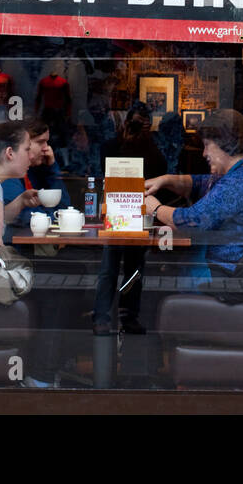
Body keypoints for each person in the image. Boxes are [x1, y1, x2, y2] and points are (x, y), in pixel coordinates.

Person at [144, 109, 243, 292]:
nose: (204, 153)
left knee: (157, 275)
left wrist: (155, 208)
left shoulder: (239, 183)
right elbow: (199, 183)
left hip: (228, 279)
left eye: (207, 145)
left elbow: (192, 221)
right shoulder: (241, 173)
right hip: (227, 271)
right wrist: (166, 179)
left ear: (225, 143)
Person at [92, 101, 167, 335]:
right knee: (109, 268)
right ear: (126, 122)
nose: (138, 128)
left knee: (134, 269)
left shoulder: (152, 149)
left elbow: (159, 171)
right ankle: (102, 316)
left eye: (143, 124)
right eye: (135, 123)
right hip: (116, 210)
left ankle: (128, 315)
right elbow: (107, 168)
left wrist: (142, 142)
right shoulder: (112, 145)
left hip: (140, 212)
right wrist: (128, 141)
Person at [0, 118, 69, 239]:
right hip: (15, 250)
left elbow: (63, 208)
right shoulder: (9, 176)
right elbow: (32, 219)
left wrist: (52, 169)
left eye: (47, 142)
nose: (47, 149)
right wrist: (57, 217)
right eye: (41, 142)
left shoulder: (36, 172)